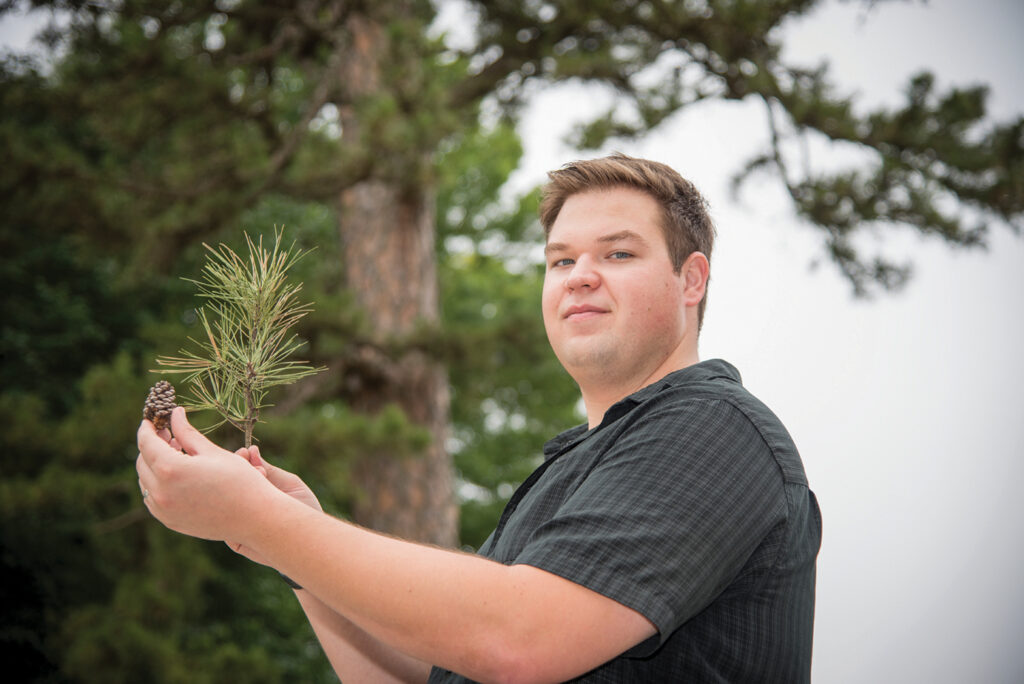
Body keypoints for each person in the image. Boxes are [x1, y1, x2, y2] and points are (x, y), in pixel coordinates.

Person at [137, 154, 821, 683]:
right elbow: (445, 673)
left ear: (691, 280)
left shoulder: (714, 430)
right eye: (561, 259)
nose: (579, 274)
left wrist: (263, 519)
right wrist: (294, 550)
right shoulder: (577, 465)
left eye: (617, 253)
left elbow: (516, 642)